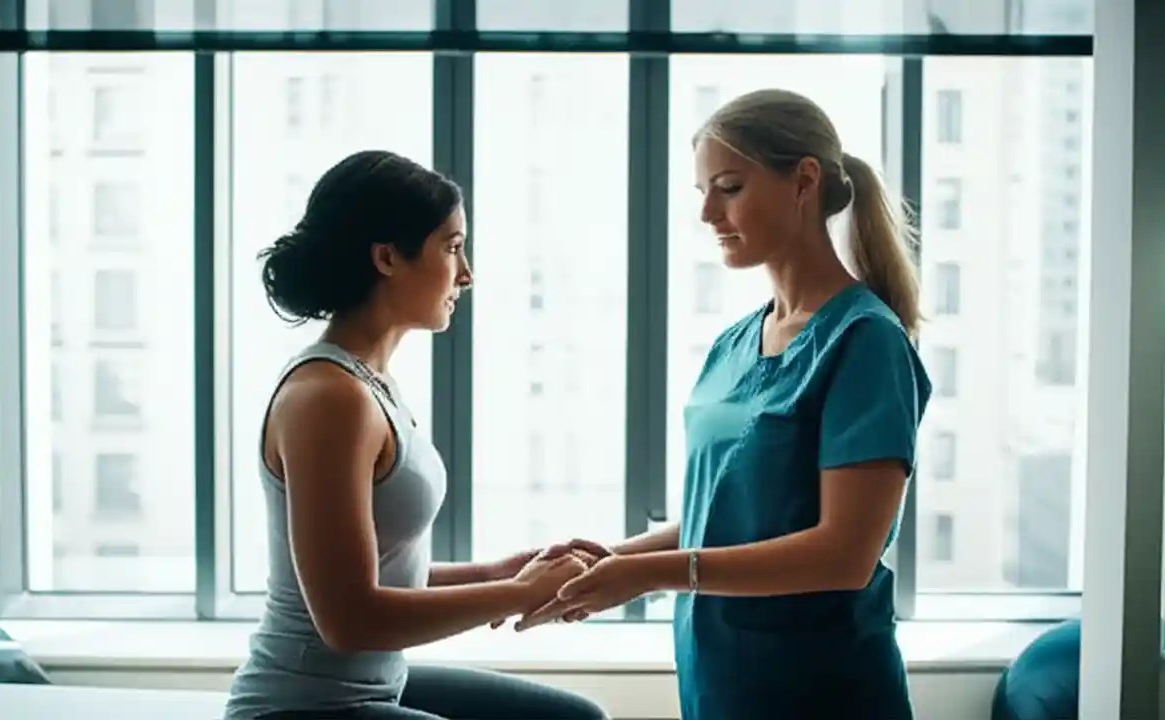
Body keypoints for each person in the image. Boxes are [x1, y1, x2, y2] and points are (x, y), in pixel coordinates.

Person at [518, 89, 933, 720]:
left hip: (822, 690)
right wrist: (614, 561)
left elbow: (845, 554)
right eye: (702, 192)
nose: (709, 212)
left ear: (804, 181)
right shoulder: (735, 342)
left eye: (730, 187)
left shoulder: (866, 342)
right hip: (720, 681)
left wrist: (653, 576)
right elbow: (730, 515)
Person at [224, 150, 607, 720]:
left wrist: (501, 571)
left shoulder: (369, 384)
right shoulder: (329, 399)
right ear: (387, 257)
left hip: (371, 690)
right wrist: (522, 594)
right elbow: (349, 619)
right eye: (453, 248)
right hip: (302, 709)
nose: (467, 274)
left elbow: (382, 574)